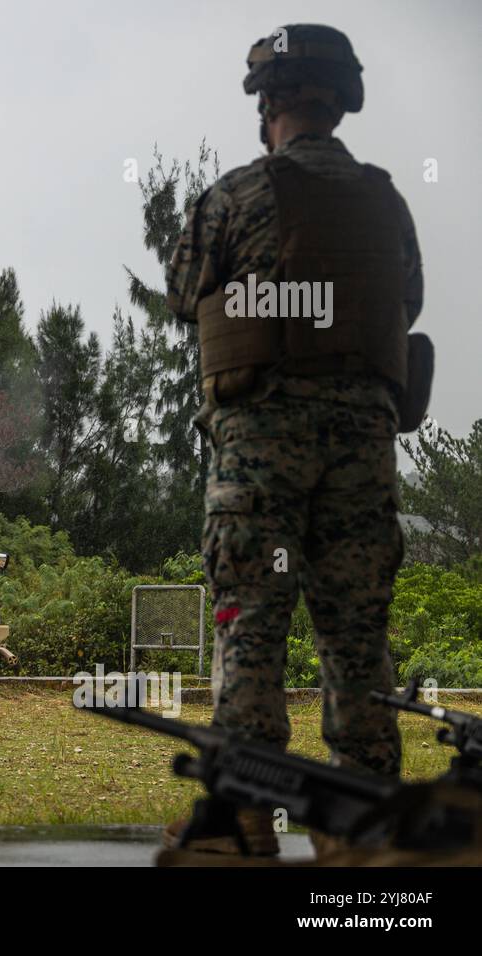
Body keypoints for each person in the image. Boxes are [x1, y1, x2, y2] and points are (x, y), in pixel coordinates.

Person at [165, 23, 423, 854]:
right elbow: (405, 304)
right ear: (341, 101)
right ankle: (366, 823)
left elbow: (180, 293)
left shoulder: (236, 197)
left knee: (249, 624)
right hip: (362, 456)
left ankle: (241, 820)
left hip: (259, 453)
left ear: (268, 103)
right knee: (357, 635)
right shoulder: (388, 202)